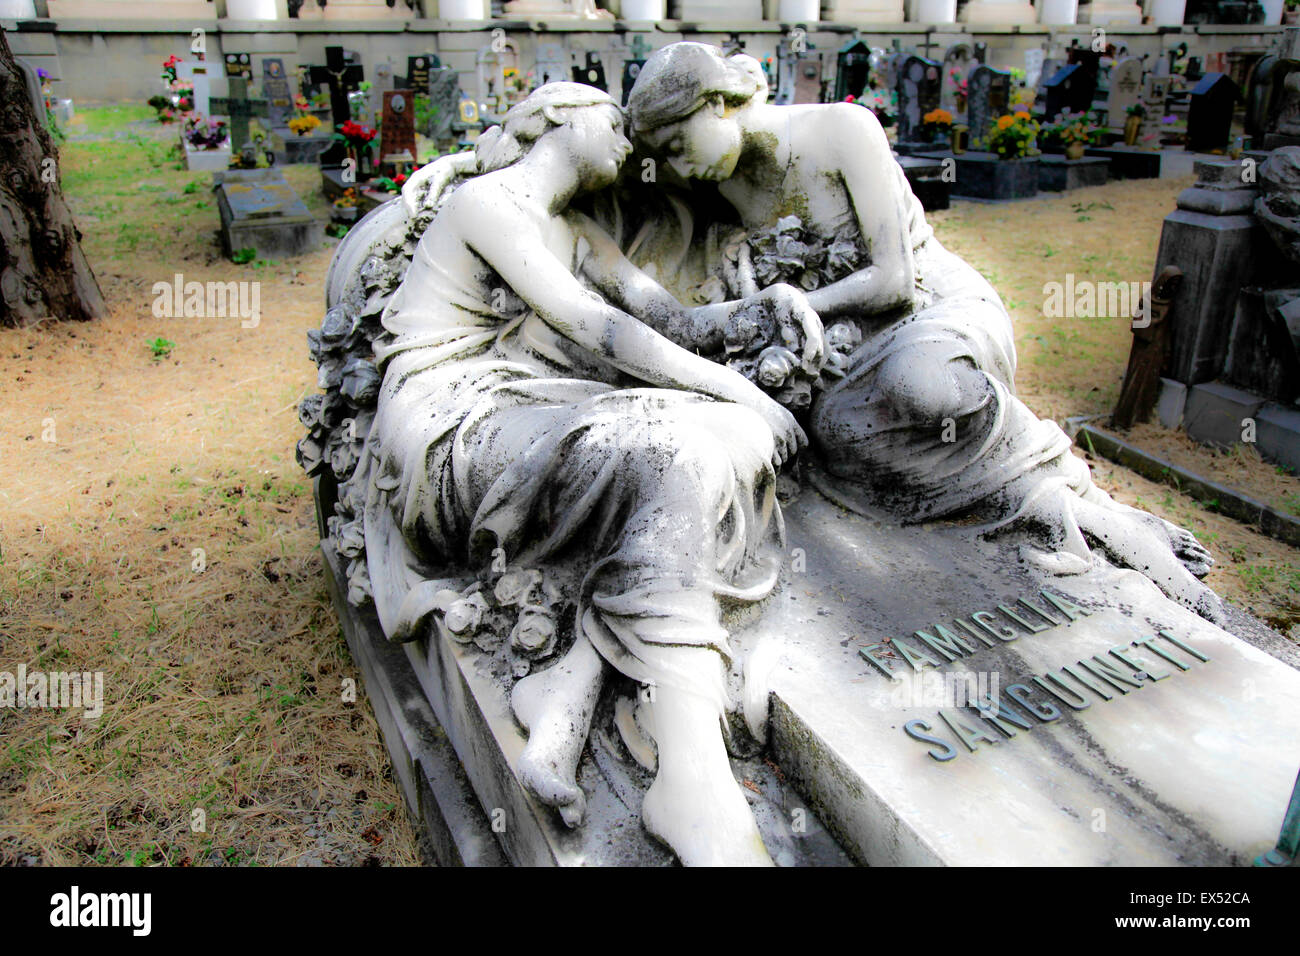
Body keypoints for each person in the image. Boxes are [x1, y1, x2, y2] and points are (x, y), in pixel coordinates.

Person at [364, 82, 818, 865]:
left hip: (535, 409)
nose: (626, 139)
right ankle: (693, 779)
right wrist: (738, 385)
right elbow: (595, 328)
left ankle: (572, 681)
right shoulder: (487, 204)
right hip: (451, 429)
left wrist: (768, 303)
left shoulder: (575, 230)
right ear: (555, 121)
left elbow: (667, 320)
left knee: (734, 439)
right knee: (671, 449)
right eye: (612, 120)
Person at [626, 42, 1221, 621]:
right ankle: (1037, 511)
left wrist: (794, 305)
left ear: (716, 101)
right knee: (834, 435)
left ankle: (1076, 500)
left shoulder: (840, 130)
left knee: (926, 392)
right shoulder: (717, 186)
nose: (681, 168)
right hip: (843, 349)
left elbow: (894, 281)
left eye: (679, 144)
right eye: (667, 157)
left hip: (929, 314)